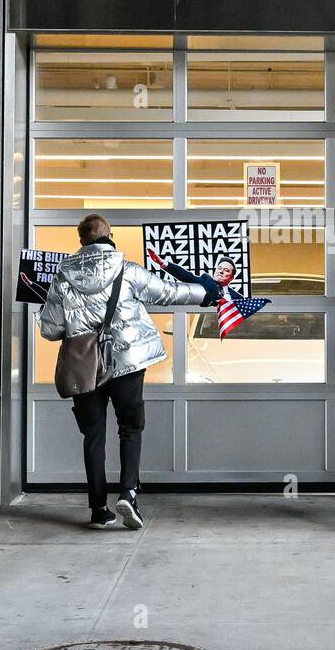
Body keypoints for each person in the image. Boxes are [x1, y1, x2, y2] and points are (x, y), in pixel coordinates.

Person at [40, 214, 215, 529]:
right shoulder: (129, 270)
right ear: (109, 235)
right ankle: (128, 494)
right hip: (127, 364)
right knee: (130, 429)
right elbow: (169, 292)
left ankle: (97, 510)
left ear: (81, 241)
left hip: (85, 367)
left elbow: (50, 330)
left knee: (93, 436)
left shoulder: (61, 278)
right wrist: (206, 292)